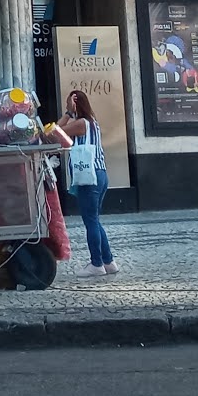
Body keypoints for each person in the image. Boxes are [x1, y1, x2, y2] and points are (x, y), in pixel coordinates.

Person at [59, 89, 117, 278]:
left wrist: (67, 113)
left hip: (88, 177)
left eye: (70, 103)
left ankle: (96, 264)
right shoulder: (93, 123)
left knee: (90, 221)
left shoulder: (80, 123)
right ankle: (108, 262)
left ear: (75, 104)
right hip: (100, 175)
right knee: (95, 220)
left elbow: (53, 133)